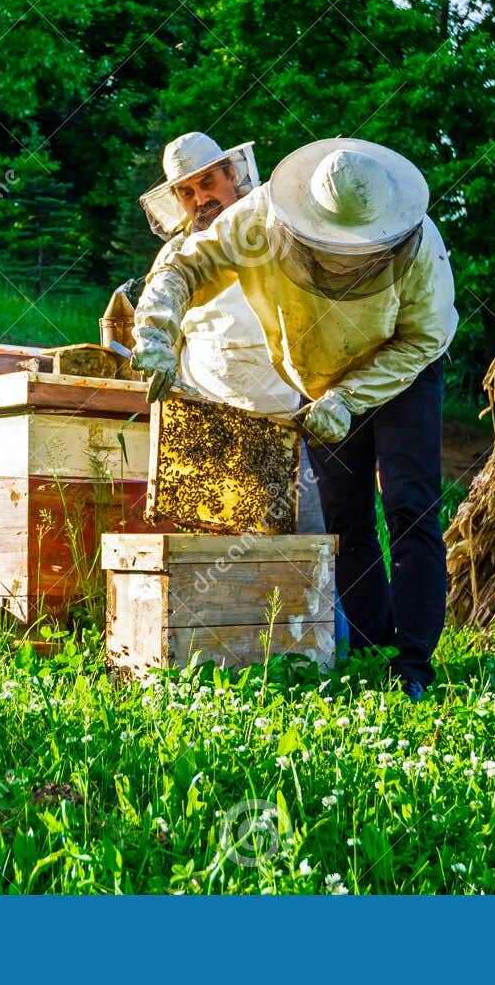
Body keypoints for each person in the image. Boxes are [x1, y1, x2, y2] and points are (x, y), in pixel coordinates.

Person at [131, 138, 457, 701]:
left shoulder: (420, 244)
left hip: (401, 374)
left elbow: (425, 337)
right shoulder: (257, 221)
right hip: (320, 381)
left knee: (410, 504)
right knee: (344, 522)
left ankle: (413, 665)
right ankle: (372, 652)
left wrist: (351, 399)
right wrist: (157, 329)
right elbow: (186, 266)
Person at [111, 132, 324, 532]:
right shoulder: (175, 259)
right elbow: (162, 342)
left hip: (292, 426)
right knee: (215, 562)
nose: (199, 199)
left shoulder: (276, 233)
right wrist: (155, 349)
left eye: (207, 183)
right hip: (209, 434)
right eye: (186, 192)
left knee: (311, 559)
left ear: (233, 175)